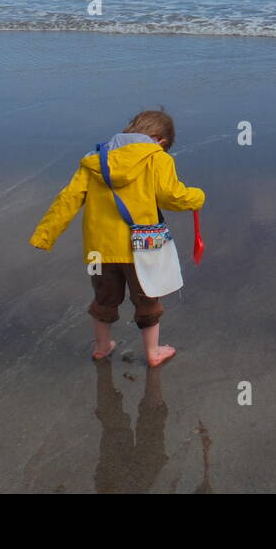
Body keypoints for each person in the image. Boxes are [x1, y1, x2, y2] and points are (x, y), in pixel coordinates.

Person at [30, 109, 205, 367]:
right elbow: (171, 197)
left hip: (99, 250)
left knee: (104, 298)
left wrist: (45, 235)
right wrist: (197, 197)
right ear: (161, 141)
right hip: (143, 249)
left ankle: (102, 347)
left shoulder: (94, 160)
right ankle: (153, 352)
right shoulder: (158, 159)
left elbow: (68, 199)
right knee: (147, 300)